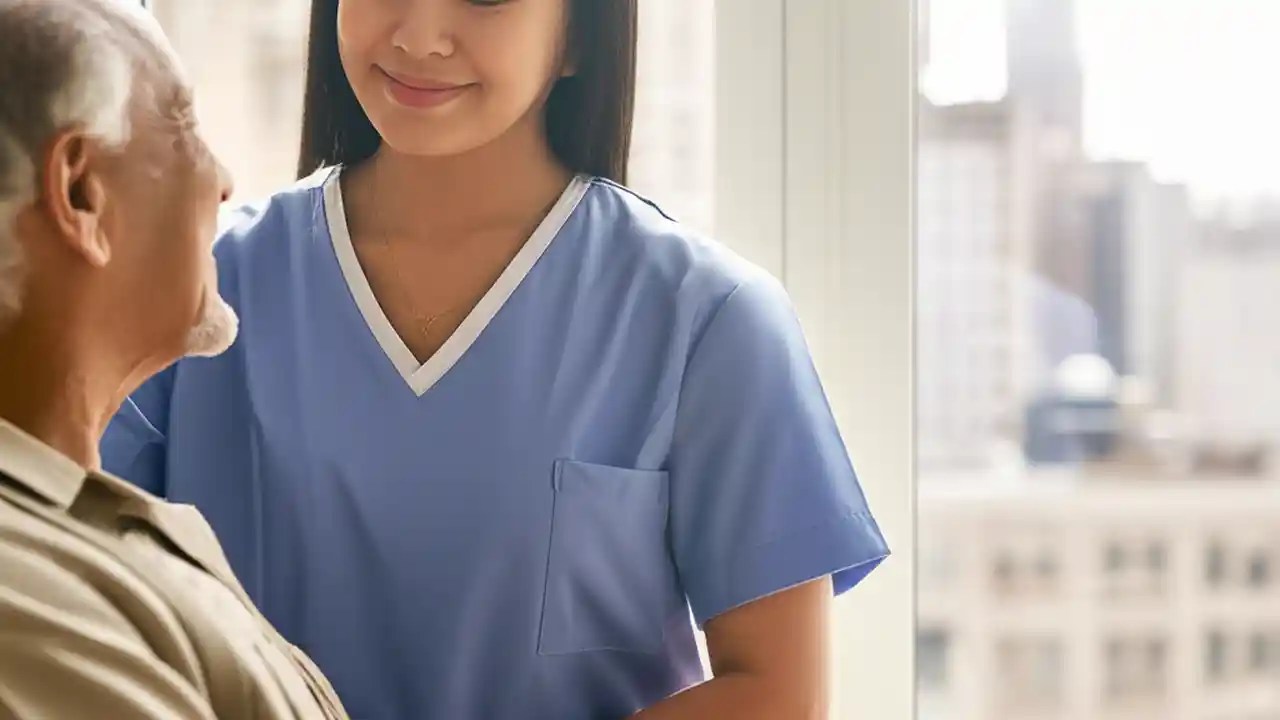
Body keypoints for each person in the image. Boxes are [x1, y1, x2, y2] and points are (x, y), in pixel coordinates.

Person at [103, 0, 891, 717]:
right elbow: (71, 601)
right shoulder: (190, 281)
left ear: (580, 33)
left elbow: (777, 694)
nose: (418, 34)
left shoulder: (708, 321)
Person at [0, 1, 347, 717]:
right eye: (185, 123)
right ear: (81, 193)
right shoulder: (26, 600)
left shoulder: (68, 527)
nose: (222, 180)